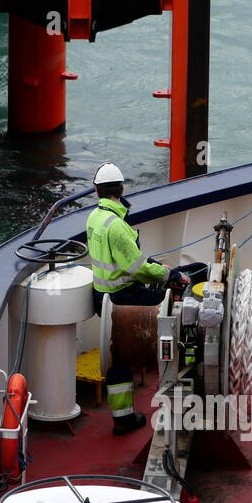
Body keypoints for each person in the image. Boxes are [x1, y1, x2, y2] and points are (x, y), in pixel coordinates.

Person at [86, 163, 189, 434]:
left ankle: (123, 417)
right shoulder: (116, 226)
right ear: (121, 189)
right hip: (124, 297)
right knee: (169, 305)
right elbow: (137, 267)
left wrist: (157, 268)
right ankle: (177, 366)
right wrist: (170, 277)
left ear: (96, 191)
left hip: (102, 296)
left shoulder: (94, 218)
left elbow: (127, 261)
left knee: (118, 355)